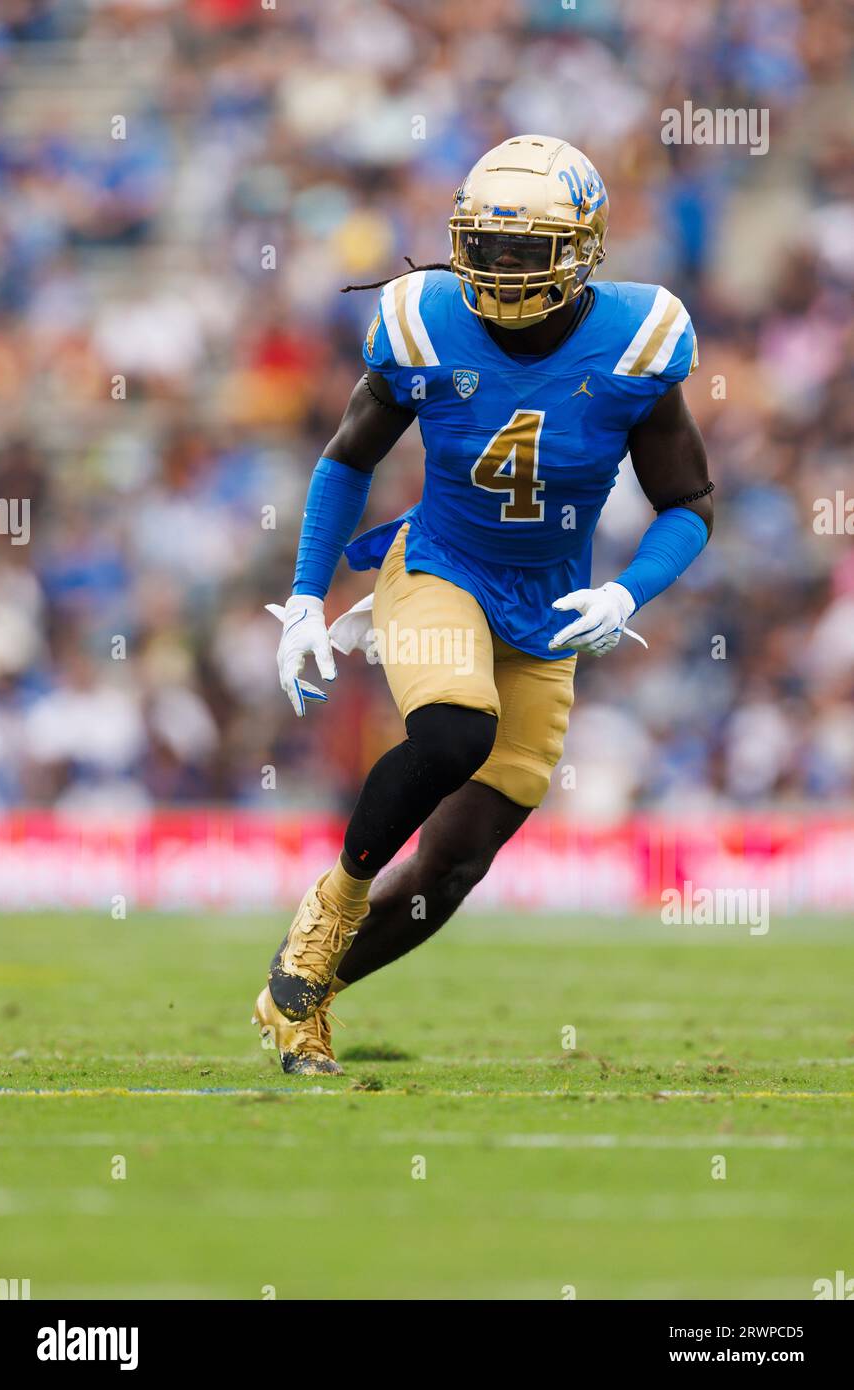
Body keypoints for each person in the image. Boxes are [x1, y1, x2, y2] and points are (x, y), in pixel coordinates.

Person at [252, 134, 713, 1074]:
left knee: (454, 867)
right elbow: (349, 456)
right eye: (484, 243)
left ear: (581, 249)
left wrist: (628, 588)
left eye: (522, 247)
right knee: (456, 731)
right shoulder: (423, 319)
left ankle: (298, 998)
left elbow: (689, 504)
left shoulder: (637, 337)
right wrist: (305, 594)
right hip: (440, 566)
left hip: (548, 606)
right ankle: (330, 905)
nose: (498, 266)